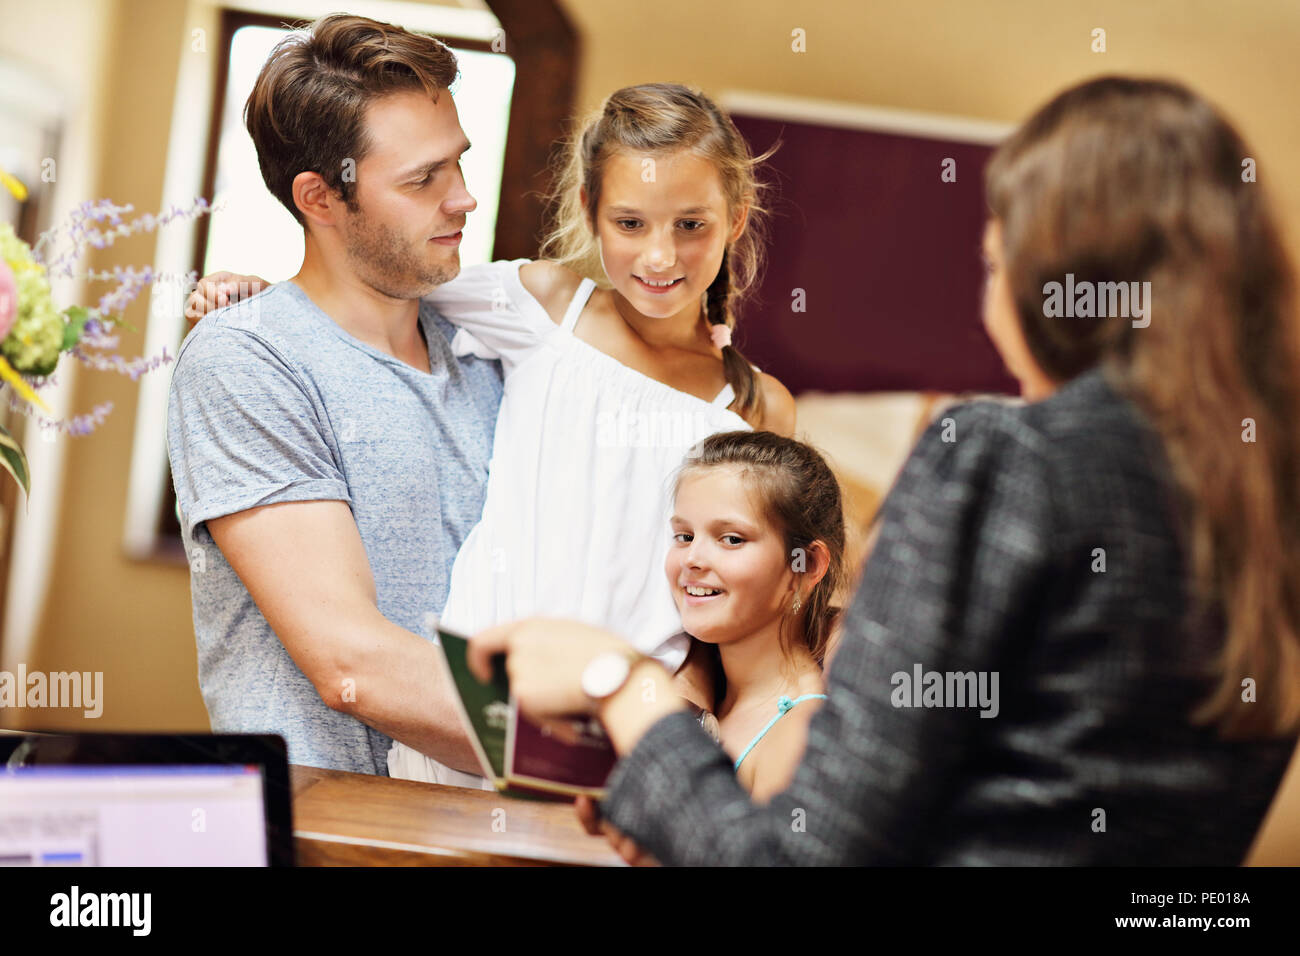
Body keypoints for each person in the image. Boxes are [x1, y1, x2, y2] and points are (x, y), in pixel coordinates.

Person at [468, 76, 1300, 864]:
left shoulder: (1002, 464)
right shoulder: (1272, 501)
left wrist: (621, 689)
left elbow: (805, 854)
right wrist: (684, 812)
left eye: (993, 261)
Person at [191, 84, 798, 787]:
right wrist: (260, 297)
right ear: (590, 215)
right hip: (468, 708)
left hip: (635, 739)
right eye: (631, 223)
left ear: (736, 218)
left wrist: (687, 710)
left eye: (691, 225)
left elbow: (748, 606)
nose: (661, 256)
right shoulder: (538, 307)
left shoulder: (757, 406)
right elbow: (365, 294)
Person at [166, 14, 504, 778]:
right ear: (320, 198)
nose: (463, 199)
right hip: (335, 839)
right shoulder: (246, 358)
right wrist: (602, 757)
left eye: (458, 163)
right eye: (422, 179)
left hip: (498, 838)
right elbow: (351, 660)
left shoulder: (488, 351)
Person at [664, 430, 845, 801]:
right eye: (683, 536)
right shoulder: (702, 698)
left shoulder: (801, 738)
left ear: (806, 565)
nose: (692, 559)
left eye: (731, 539)